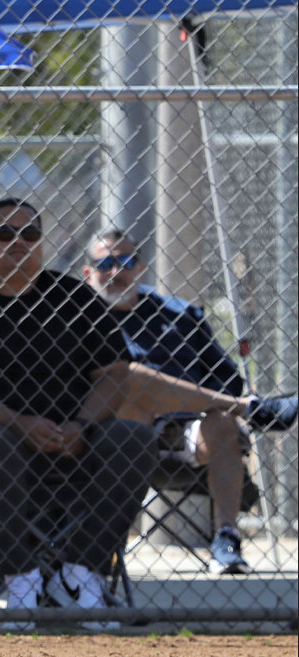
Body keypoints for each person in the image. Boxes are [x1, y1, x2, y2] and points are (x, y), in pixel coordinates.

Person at [0, 198, 160, 631]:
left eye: (29, 234)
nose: (18, 242)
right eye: (4, 234)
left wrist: (82, 425)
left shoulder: (75, 298)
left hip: (73, 440)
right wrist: (17, 423)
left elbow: (113, 375)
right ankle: (22, 578)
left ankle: (81, 574)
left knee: (133, 437)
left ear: (41, 243)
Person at [83, 229, 298, 574]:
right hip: (113, 436)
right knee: (128, 377)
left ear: (140, 267)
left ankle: (227, 538)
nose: (116, 271)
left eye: (125, 261)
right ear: (88, 272)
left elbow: (227, 379)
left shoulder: (179, 314)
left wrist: (183, 397)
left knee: (223, 422)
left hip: (184, 431)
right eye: (105, 263)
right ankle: (252, 408)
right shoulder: (77, 320)